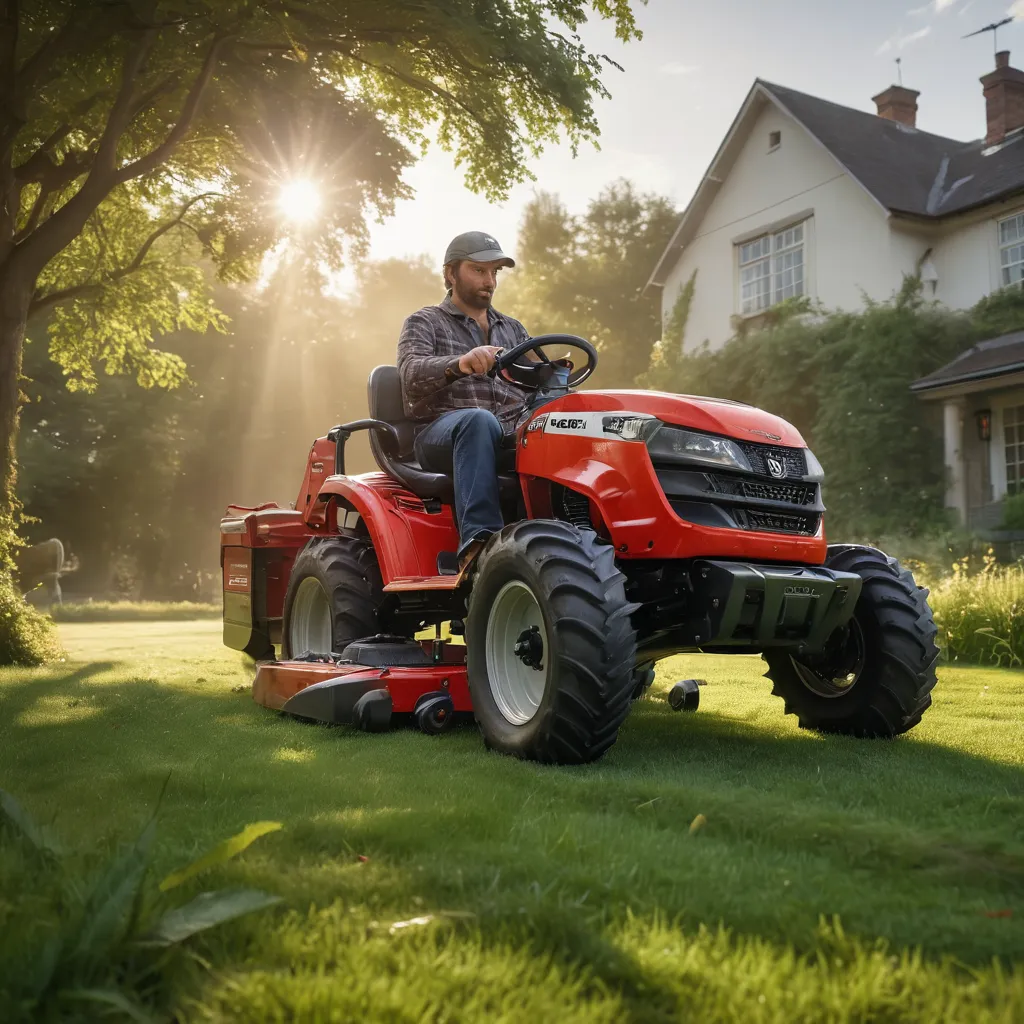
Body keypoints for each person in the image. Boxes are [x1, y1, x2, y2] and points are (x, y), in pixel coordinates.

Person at [397, 231, 530, 570]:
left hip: (507, 436)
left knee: (561, 418)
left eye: (495, 272)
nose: (490, 281)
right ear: (450, 273)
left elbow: (534, 382)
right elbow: (411, 374)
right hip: (439, 437)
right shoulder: (424, 321)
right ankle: (480, 543)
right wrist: (460, 363)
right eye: (478, 270)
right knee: (478, 420)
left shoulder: (514, 330)